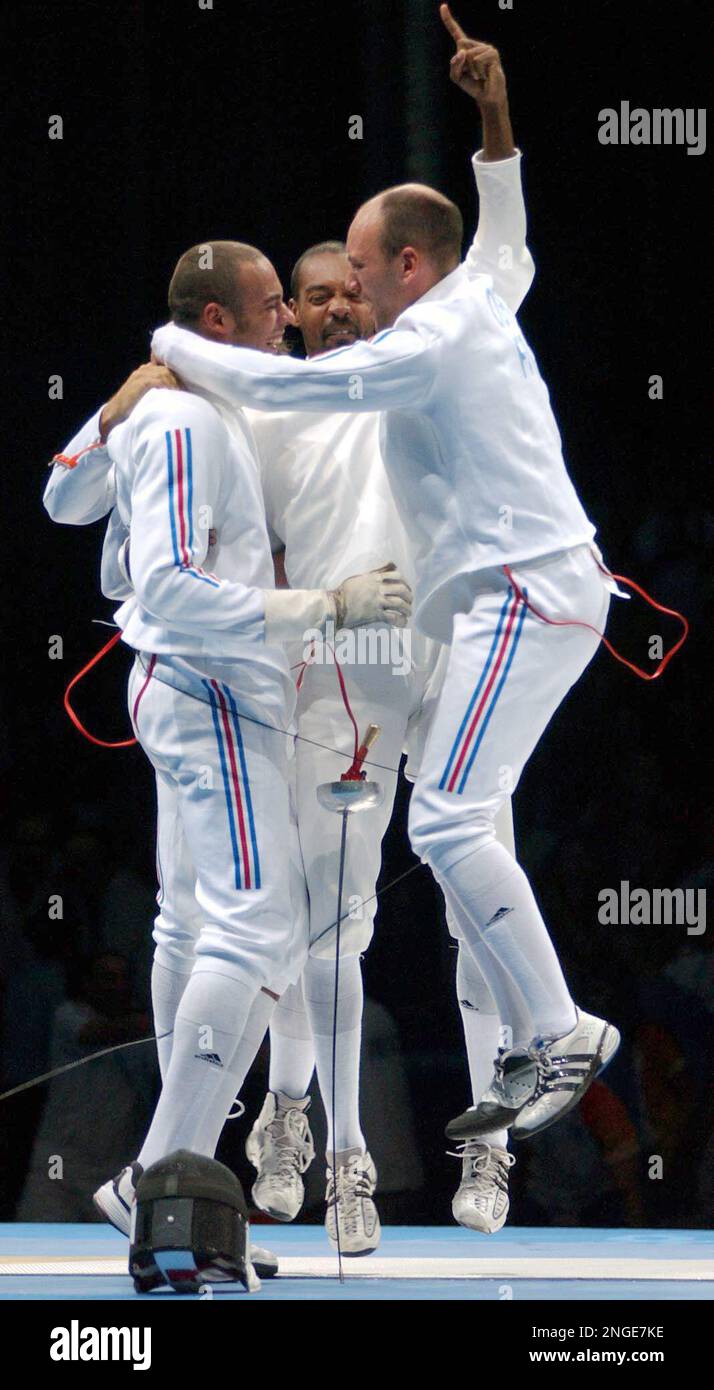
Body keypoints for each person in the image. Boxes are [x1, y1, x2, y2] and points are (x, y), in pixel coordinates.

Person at [44, 18, 535, 1242]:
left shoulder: (429, 355)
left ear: (380, 287)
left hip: (435, 657)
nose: (320, 310)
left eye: (336, 288)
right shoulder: (249, 398)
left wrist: (494, 128)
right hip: (303, 670)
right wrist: (134, 389)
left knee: (470, 882)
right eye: (296, 299)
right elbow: (121, 513)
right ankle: (307, 1133)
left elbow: (502, 259)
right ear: (273, 316)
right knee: (312, 921)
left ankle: (485, 1136)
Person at [150, 5, 622, 1156]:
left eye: (359, 267)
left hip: (520, 593)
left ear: (409, 265)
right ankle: (527, 1036)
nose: (346, 290)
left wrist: (173, 345)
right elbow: (502, 224)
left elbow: (300, 391)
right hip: (510, 604)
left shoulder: (428, 339)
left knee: (451, 817)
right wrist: (495, 112)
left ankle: (558, 1028)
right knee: (441, 835)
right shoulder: (485, 287)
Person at [45, 239, 412, 1232]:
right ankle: (165, 1171)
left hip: (194, 684)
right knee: (259, 926)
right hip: (214, 685)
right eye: (273, 305)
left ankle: (177, 1171)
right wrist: (321, 605)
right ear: (220, 323)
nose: (290, 320)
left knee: (188, 919)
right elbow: (162, 582)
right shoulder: (186, 421)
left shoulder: (183, 405)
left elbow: (61, 494)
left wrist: (111, 406)